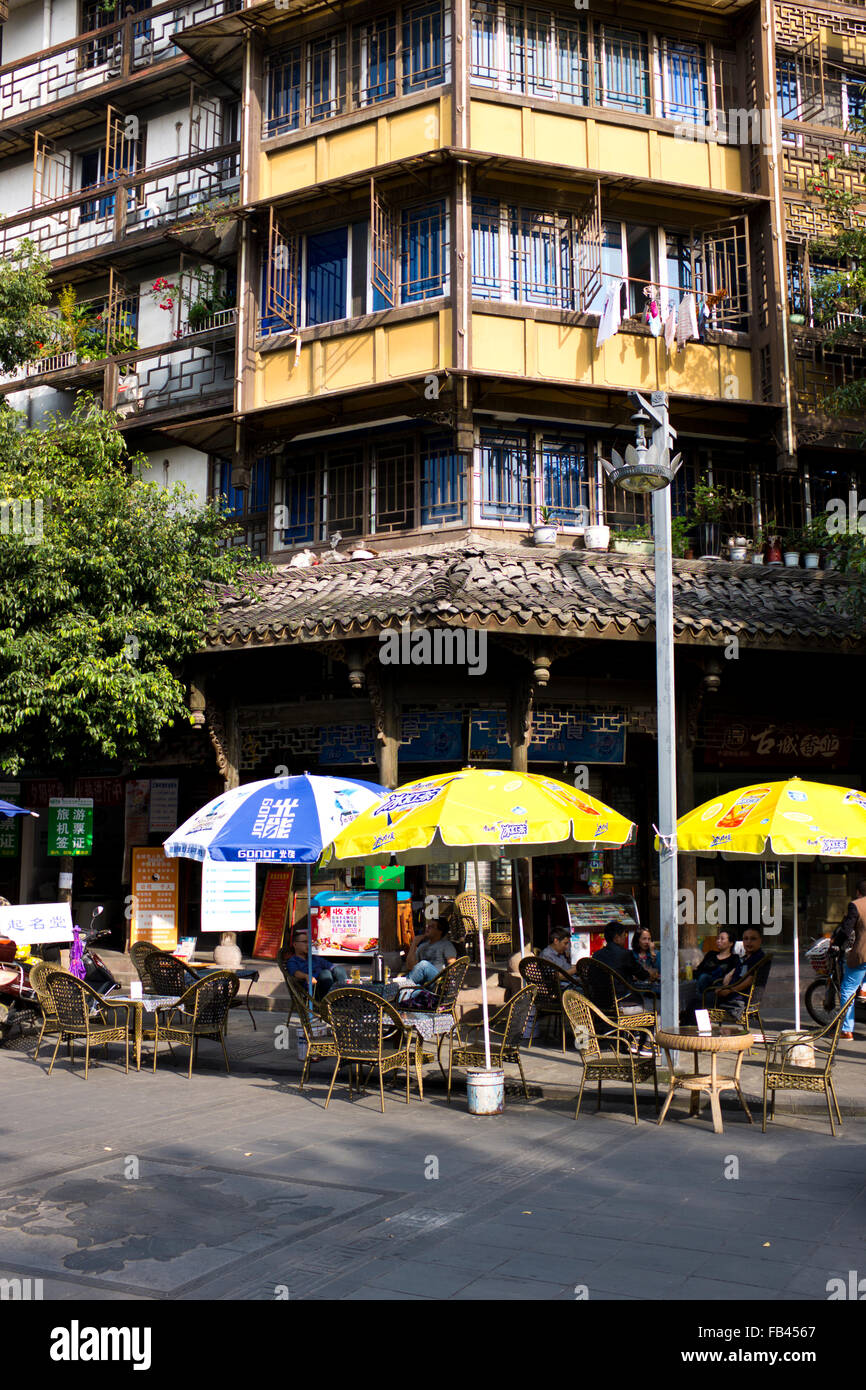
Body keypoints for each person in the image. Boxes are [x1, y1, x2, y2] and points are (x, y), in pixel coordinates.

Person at [702, 927, 765, 1020]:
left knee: (697, 1004)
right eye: (746, 939)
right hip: (731, 995)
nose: (748, 942)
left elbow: (749, 981)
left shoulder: (758, 958)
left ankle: (693, 1032)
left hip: (736, 1001)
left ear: (760, 941)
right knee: (698, 999)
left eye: (753, 939)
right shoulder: (747, 957)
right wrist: (731, 973)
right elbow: (742, 970)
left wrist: (728, 990)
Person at [834, 878, 866, 1040]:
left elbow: (846, 930)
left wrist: (836, 943)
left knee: (847, 988)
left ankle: (846, 1030)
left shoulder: (856, 905)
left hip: (862, 954)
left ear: (858, 892)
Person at [283, 929, 347, 1000]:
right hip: (313, 989)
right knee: (325, 974)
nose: (308, 945)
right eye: (305, 942)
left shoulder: (314, 958)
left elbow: (330, 966)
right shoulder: (293, 960)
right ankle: (330, 1001)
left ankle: (345, 996)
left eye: (309, 942)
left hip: (328, 985)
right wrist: (307, 976)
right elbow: (295, 972)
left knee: (339, 969)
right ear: (295, 944)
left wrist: (337, 971)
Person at [400, 917, 457, 986]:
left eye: (431, 927)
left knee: (423, 964)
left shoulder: (446, 945)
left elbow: (452, 964)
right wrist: (413, 944)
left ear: (440, 931)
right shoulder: (422, 946)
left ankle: (400, 985)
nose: (427, 928)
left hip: (437, 980)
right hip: (423, 983)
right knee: (409, 991)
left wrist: (448, 983)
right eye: (427, 926)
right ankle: (399, 988)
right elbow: (410, 966)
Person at [694, 927, 738, 997]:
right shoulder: (711, 954)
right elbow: (699, 969)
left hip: (718, 988)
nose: (718, 941)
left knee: (704, 977)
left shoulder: (734, 958)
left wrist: (730, 973)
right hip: (702, 984)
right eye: (718, 938)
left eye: (722, 939)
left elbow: (736, 971)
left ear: (731, 943)